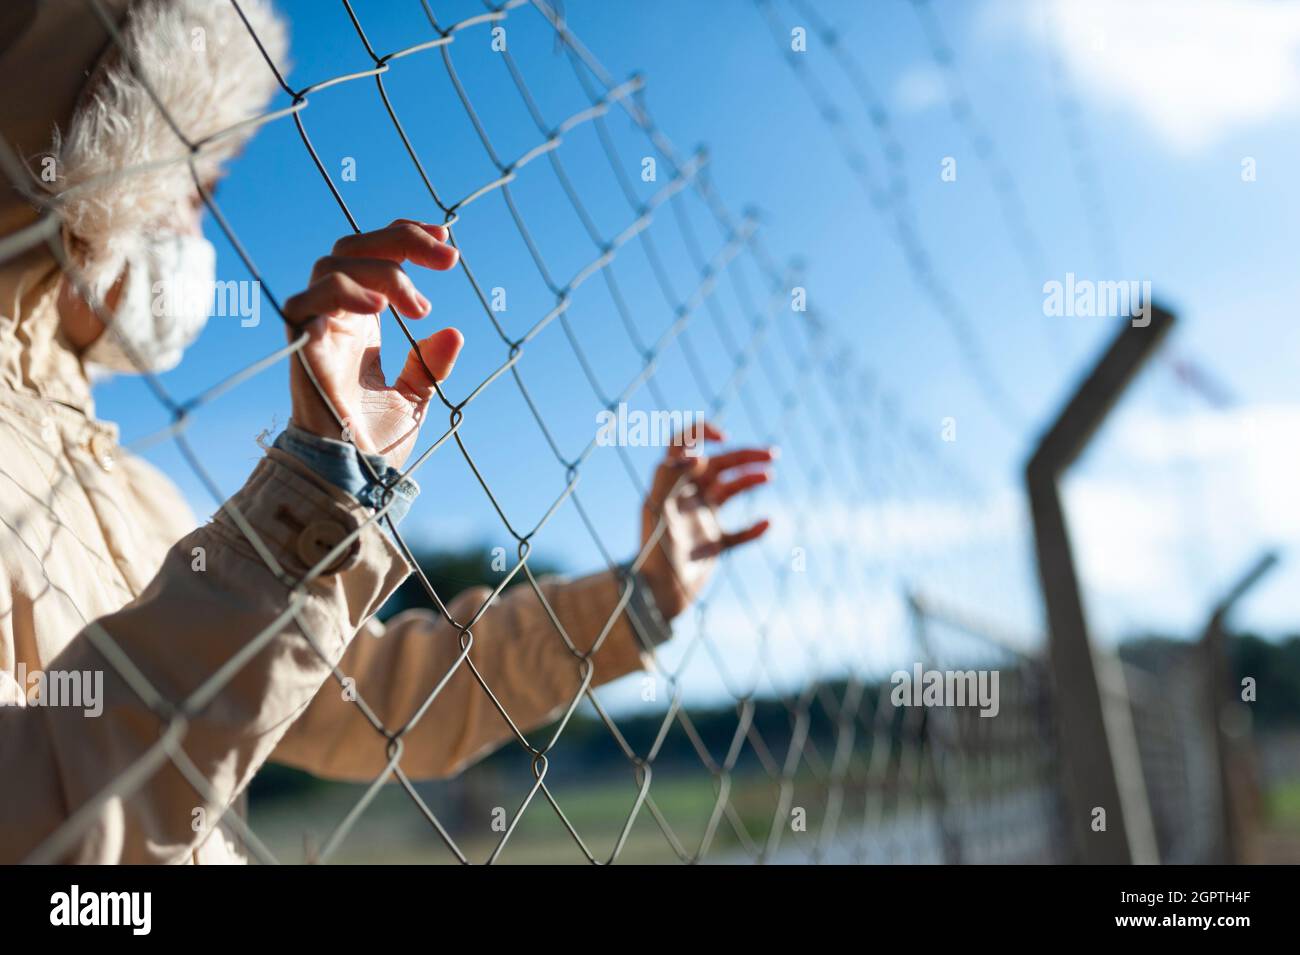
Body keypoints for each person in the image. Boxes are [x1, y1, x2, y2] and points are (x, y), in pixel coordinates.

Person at [0, 0, 774, 863]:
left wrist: (637, 603)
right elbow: (42, 820)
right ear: (75, 172)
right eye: (188, 185)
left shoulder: (130, 489)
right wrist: (301, 510)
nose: (199, 226)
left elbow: (365, 697)